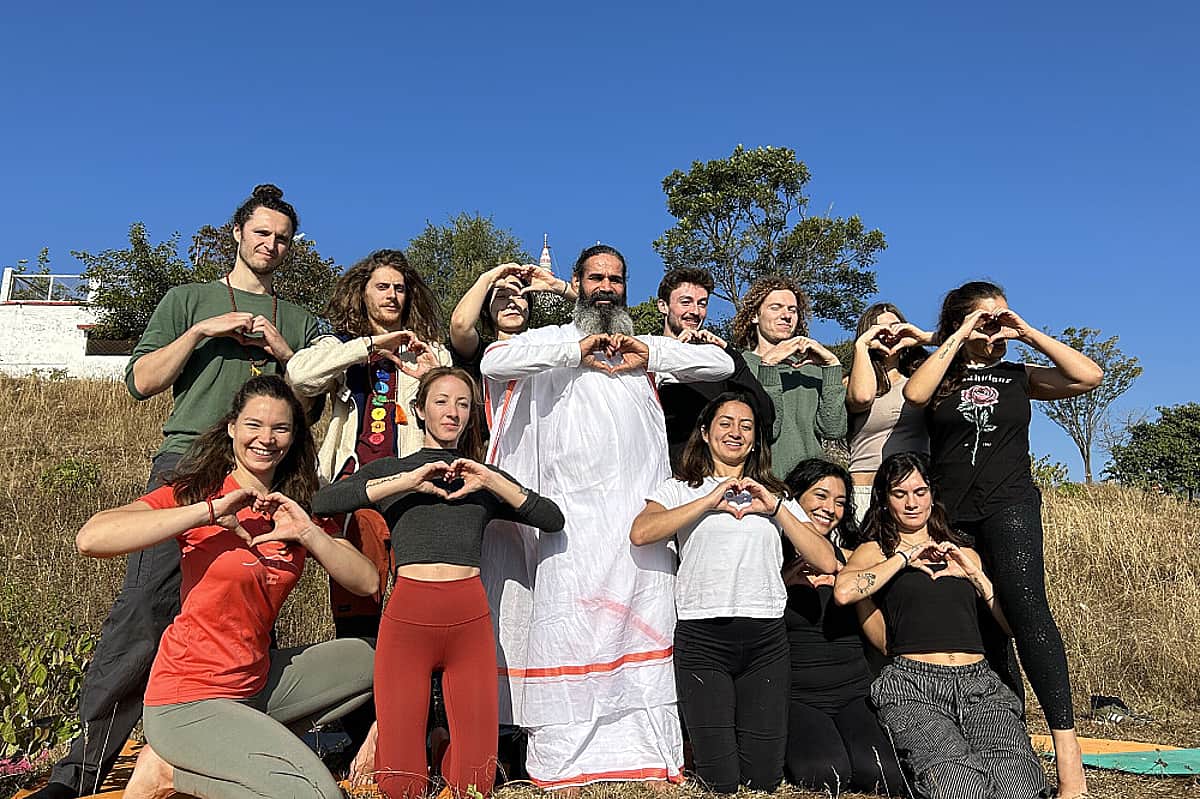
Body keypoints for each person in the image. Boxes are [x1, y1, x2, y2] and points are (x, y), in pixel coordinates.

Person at [31, 184, 321, 799]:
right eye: (261, 233)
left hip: (263, 475)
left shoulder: (297, 318)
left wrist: (284, 352)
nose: (271, 245)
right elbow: (139, 380)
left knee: (242, 617)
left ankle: (217, 761)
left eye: (283, 239)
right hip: (189, 464)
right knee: (143, 614)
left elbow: (311, 409)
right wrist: (201, 332)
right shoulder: (188, 299)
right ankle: (76, 773)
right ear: (237, 233)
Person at [480, 244, 734, 790]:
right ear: (575, 283)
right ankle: (562, 760)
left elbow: (723, 363)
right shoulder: (553, 342)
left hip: (636, 527)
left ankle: (643, 750)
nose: (605, 287)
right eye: (595, 277)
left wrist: (651, 357)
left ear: (627, 288)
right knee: (567, 629)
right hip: (567, 527)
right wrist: (577, 350)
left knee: (641, 623)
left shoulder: (643, 349)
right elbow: (491, 361)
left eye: (615, 279)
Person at [74, 375, 378, 799]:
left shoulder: (293, 504)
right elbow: (91, 538)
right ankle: (171, 770)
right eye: (254, 425)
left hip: (257, 683)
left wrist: (308, 533)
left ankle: (238, 747)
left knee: (378, 660)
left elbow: (367, 581)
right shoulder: (201, 494)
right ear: (232, 427)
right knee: (319, 796)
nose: (266, 439)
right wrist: (207, 512)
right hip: (187, 698)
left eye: (280, 428)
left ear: (294, 438)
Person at [311, 367, 565, 799]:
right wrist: (407, 481)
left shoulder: (482, 479)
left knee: (476, 782)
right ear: (420, 409)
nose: (453, 412)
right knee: (401, 782)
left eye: (463, 404)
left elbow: (551, 519)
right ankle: (425, 753)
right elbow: (323, 501)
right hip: (408, 618)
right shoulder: (395, 472)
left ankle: (444, 747)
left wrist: (490, 480)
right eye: (442, 401)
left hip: (469, 620)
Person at [903, 281, 1100, 798]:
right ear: (961, 323)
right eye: (985, 319)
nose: (995, 328)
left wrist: (1027, 331)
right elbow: (915, 394)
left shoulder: (1017, 375)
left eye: (1001, 318)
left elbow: (1089, 376)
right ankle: (1008, 746)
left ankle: (1069, 763)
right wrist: (960, 333)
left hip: (1009, 503)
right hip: (953, 511)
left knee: (1025, 608)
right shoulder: (940, 375)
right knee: (981, 626)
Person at [629, 394, 836, 793]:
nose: (735, 432)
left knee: (763, 781)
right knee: (721, 783)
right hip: (703, 639)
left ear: (756, 439)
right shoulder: (680, 488)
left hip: (765, 641)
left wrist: (774, 509)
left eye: (746, 426)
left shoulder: (777, 496)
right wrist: (709, 501)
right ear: (705, 433)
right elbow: (641, 532)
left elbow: (825, 560)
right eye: (725, 423)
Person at [833, 452, 1049, 799]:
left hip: (979, 684)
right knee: (961, 788)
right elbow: (844, 592)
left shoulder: (964, 551)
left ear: (933, 496)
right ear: (885, 502)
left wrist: (975, 574)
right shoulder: (878, 550)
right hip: (913, 685)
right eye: (899, 494)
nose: (912, 503)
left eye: (919, 492)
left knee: (1020, 788)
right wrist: (904, 559)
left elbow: (1013, 627)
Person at [287, 248, 450, 638]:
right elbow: (299, 376)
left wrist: (434, 375)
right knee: (360, 610)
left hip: (415, 488)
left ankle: (422, 694)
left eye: (399, 288)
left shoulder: (430, 350)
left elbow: (452, 414)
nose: (392, 295)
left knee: (419, 605)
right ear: (363, 292)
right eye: (382, 287)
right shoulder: (341, 346)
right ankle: (361, 696)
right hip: (358, 490)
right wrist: (370, 347)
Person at [780, 459, 905, 795]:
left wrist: (849, 583)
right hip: (798, 696)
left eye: (839, 502)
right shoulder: (769, 557)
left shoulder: (852, 560)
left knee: (884, 775)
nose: (830, 508)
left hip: (852, 692)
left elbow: (881, 637)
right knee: (827, 774)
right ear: (794, 498)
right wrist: (781, 584)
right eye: (820, 496)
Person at [653, 268, 775, 472]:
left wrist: (730, 355)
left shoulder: (717, 367)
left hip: (705, 483)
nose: (695, 311)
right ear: (663, 306)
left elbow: (765, 415)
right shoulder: (645, 358)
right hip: (655, 483)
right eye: (686, 302)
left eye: (702, 304)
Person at [731, 276, 846, 479]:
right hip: (763, 485)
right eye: (776, 307)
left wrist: (832, 366)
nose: (786, 316)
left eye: (792, 310)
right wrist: (769, 365)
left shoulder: (812, 370)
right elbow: (768, 430)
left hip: (809, 487)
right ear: (754, 316)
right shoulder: (740, 367)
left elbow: (833, 429)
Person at [846, 303, 933, 523]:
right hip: (865, 489)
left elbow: (960, 344)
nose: (890, 333)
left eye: (896, 326)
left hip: (911, 493)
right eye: (880, 329)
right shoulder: (851, 382)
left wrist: (925, 339)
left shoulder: (924, 379)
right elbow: (863, 397)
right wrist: (862, 346)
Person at [447, 261, 576, 379]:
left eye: (519, 295)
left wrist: (557, 286)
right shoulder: (481, 355)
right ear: (486, 310)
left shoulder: (550, 345)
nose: (511, 303)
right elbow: (460, 325)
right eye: (502, 296)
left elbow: (594, 312)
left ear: (529, 306)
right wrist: (487, 279)